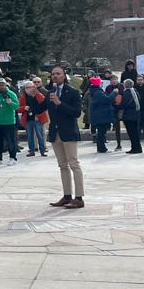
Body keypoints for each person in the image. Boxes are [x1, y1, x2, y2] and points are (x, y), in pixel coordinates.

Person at [47, 67, 84, 209]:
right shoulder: (50, 93)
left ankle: (79, 197)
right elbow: (41, 109)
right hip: (55, 133)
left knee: (74, 164)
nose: (55, 76)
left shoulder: (73, 92)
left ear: (64, 76)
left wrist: (60, 103)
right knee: (62, 165)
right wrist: (32, 96)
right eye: (53, 74)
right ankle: (67, 195)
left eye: (58, 74)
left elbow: (76, 113)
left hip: (68, 133)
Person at [88, 77, 118, 153]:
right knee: (101, 132)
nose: (102, 84)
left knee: (101, 132)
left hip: (101, 115)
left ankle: (101, 147)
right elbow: (107, 100)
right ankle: (101, 148)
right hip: (101, 115)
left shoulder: (97, 91)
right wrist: (114, 93)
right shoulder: (98, 92)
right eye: (101, 83)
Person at [19, 81, 48, 157]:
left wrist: (38, 116)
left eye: (30, 87)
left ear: (33, 88)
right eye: (26, 88)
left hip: (37, 119)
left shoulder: (39, 95)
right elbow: (17, 108)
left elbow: (44, 108)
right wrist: (23, 108)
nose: (28, 89)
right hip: (28, 119)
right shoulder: (23, 97)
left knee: (40, 135)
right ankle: (31, 150)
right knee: (29, 136)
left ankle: (42, 150)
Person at [118, 79, 143, 154]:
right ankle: (138, 147)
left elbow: (124, 104)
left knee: (131, 133)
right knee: (135, 132)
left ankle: (134, 148)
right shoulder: (135, 91)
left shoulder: (127, 92)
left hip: (129, 115)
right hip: (136, 113)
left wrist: (118, 106)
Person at [104, 74, 124, 150]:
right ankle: (118, 144)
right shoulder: (108, 88)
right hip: (113, 108)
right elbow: (107, 97)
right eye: (112, 80)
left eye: (115, 79)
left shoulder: (121, 86)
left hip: (122, 108)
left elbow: (124, 95)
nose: (114, 81)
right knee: (116, 127)